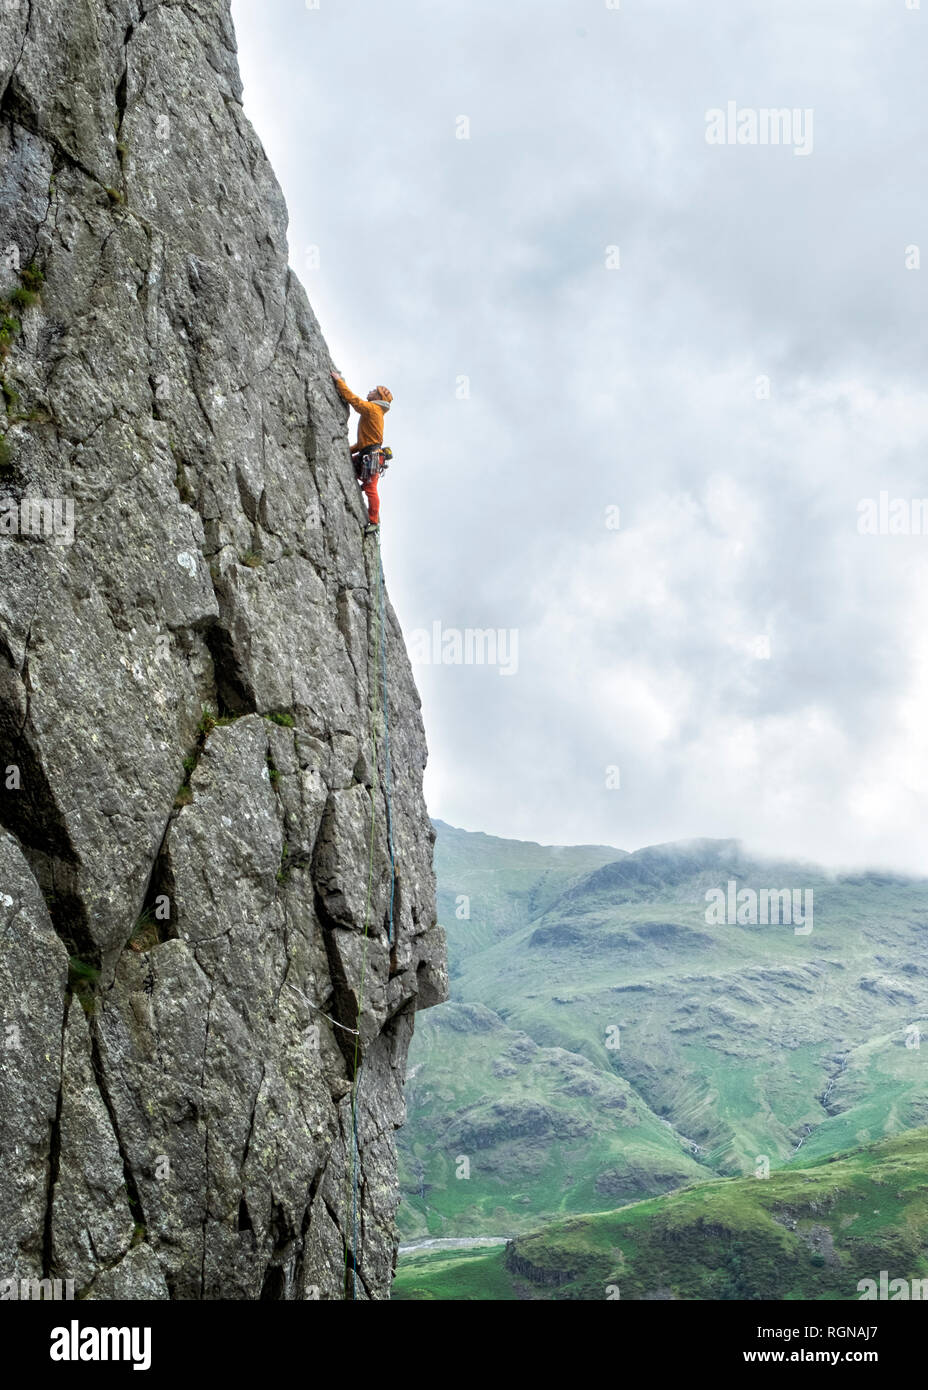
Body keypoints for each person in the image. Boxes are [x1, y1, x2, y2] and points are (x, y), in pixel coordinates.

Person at [330, 372, 393, 531]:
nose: (370, 391)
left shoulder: (373, 409)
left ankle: (373, 522)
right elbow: (363, 443)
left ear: (378, 396)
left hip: (371, 455)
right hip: (369, 454)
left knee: (371, 488)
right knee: (356, 472)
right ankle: (363, 497)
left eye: (374, 390)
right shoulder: (375, 411)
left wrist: (339, 382)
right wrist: (345, 451)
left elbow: (354, 400)